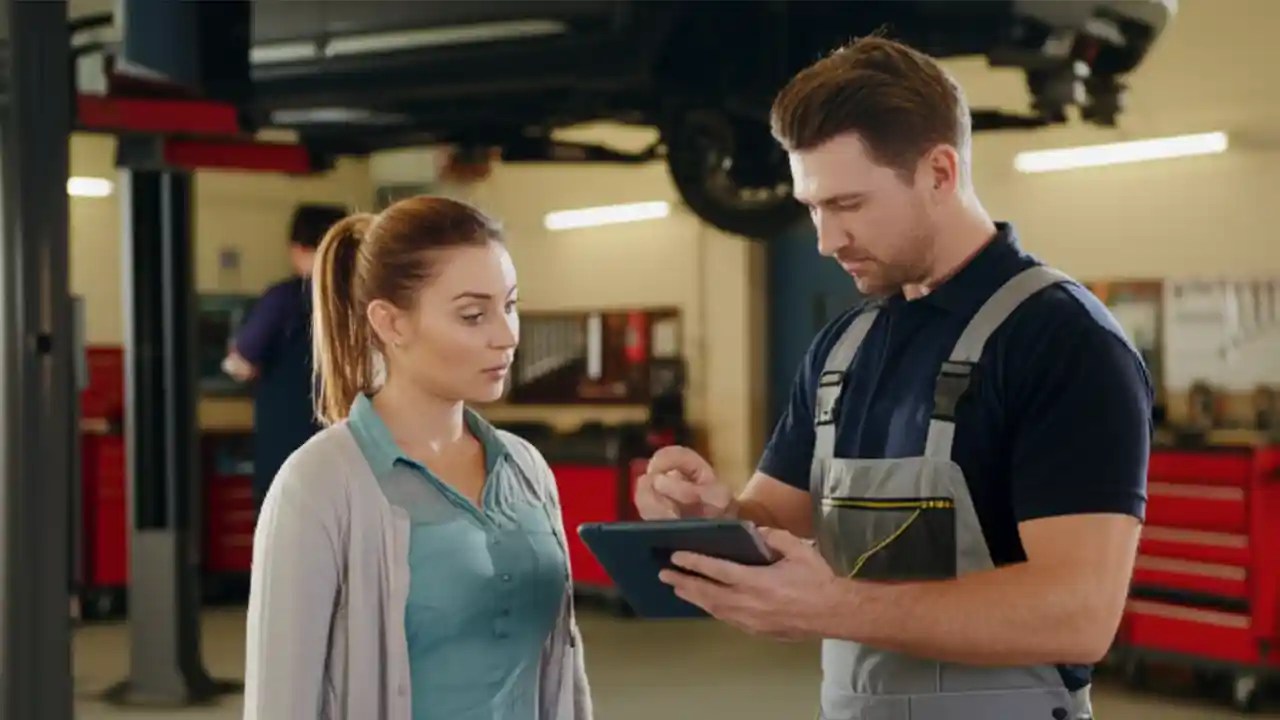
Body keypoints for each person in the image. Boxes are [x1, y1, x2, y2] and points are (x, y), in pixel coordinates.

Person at [635, 36, 1151, 720]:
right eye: (813, 207)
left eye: (849, 204)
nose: (826, 240)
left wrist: (836, 606)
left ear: (939, 172)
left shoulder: (1062, 342)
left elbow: (1078, 613)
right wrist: (715, 517)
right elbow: (774, 519)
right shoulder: (842, 351)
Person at [243, 196, 592, 720]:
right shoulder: (320, 484)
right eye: (473, 315)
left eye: (510, 306)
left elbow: (562, 673)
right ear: (391, 323)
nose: (506, 336)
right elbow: (281, 703)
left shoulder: (525, 470)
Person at [224, 203, 348, 508]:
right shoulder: (364, 300)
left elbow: (241, 363)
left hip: (288, 446)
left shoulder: (284, 298)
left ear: (297, 248)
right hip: (348, 449)